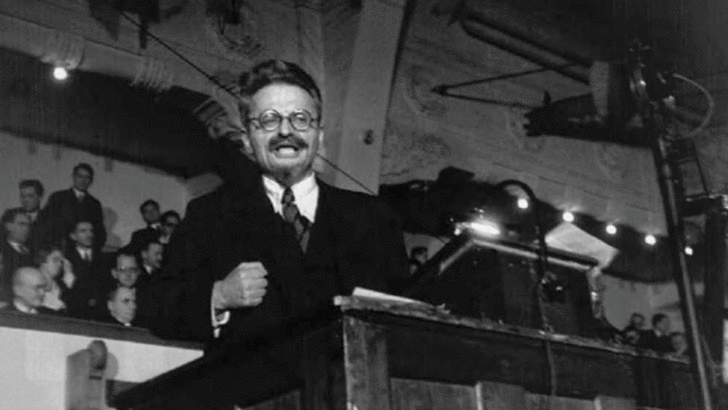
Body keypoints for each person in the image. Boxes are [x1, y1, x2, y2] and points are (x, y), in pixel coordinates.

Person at [147, 59, 408, 349]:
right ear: (247, 140)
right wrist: (219, 295)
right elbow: (158, 309)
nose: (285, 131)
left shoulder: (372, 217)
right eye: (269, 120)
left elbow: (408, 322)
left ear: (319, 136)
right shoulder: (210, 215)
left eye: (300, 118)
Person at [38, 163, 107, 250]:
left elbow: (99, 230)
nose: (83, 180)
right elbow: (46, 223)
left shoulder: (94, 204)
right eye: (80, 176)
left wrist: (92, 248)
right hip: (60, 248)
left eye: (87, 177)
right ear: (73, 177)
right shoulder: (58, 197)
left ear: (91, 180)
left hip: (83, 251)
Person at [1, 209, 33, 302]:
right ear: (8, 226)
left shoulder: (31, 252)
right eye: (22, 224)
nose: (26, 229)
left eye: (28, 225)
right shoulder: (2, 251)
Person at [36, 247, 75, 313]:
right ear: (42, 261)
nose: (60, 264)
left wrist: (69, 280)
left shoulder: (60, 285)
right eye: (55, 260)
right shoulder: (34, 283)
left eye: (61, 261)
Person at [17, 179, 45, 253]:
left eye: (30, 196)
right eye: (22, 196)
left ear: (39, 197)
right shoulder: (11, 216)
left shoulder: (49, 218)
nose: (25, 200)